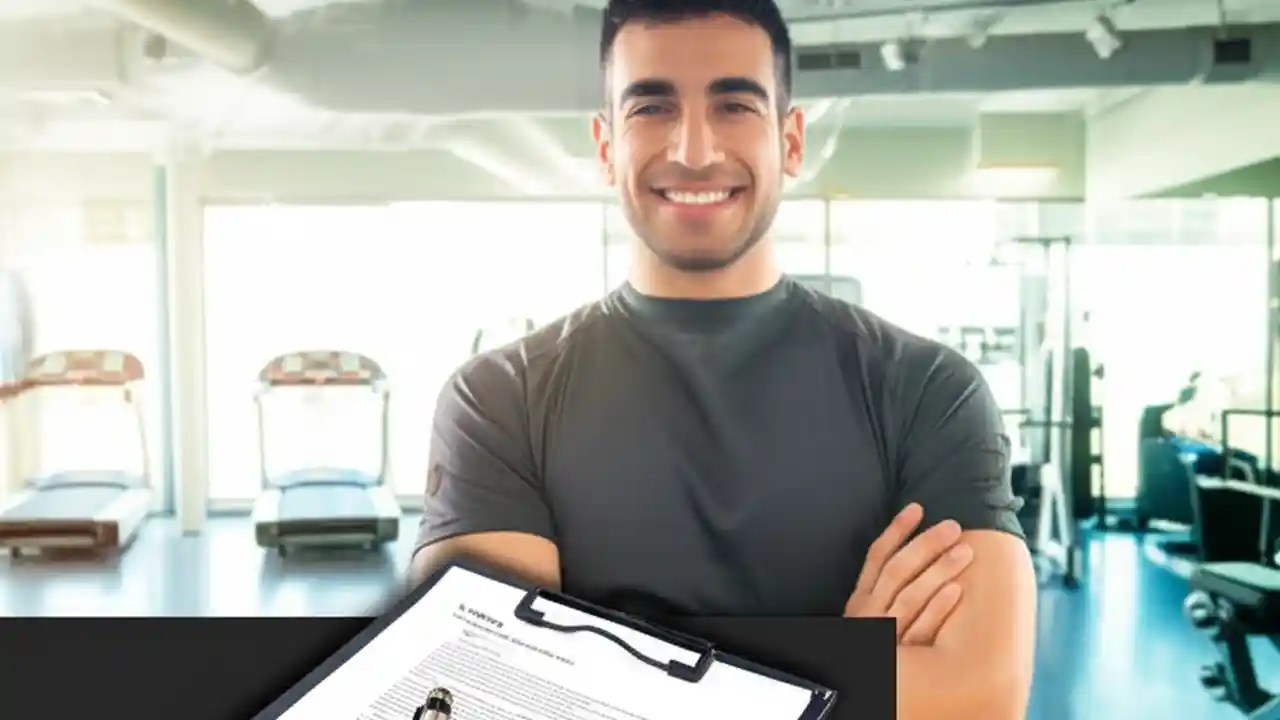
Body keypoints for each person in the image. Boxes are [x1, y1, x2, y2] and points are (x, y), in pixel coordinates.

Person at [410, 1, 1037, 716]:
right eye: (652, 108)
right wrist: (840, 662)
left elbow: (981, 698)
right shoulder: (500, 397)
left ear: (791, 140)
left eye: (735, 104)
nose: (695, 150)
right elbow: (490, 692)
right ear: (606, 144)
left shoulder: (927, 390)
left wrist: (607, 665)